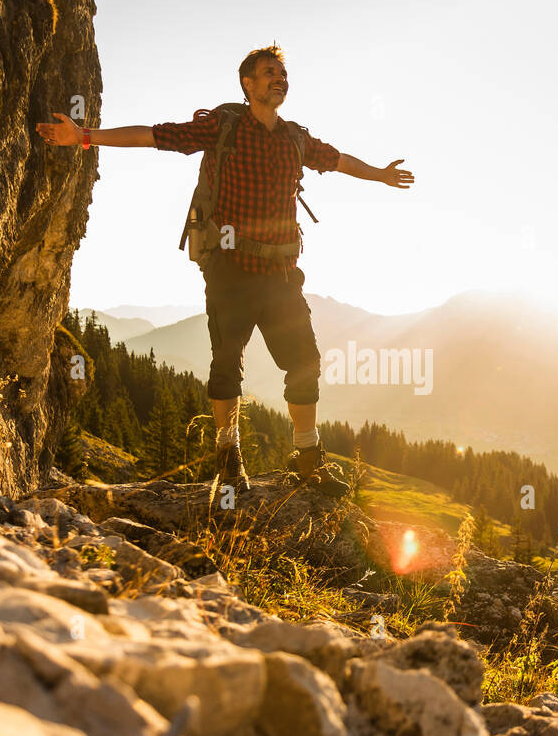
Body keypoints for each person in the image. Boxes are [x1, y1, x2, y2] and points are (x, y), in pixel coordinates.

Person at [37, 42, 414, 496]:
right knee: (226, 363)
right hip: (230, 268)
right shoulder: (223, 126)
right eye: (269, 72)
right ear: (247, 84)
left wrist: (380, 174)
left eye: (283, 74)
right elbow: (157, 135)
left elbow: (337, 161)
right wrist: (84, 136)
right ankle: (229, 458)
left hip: (280, 275)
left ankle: (306, 457)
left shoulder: (295, 139)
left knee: (304, 363)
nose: (279, 79)